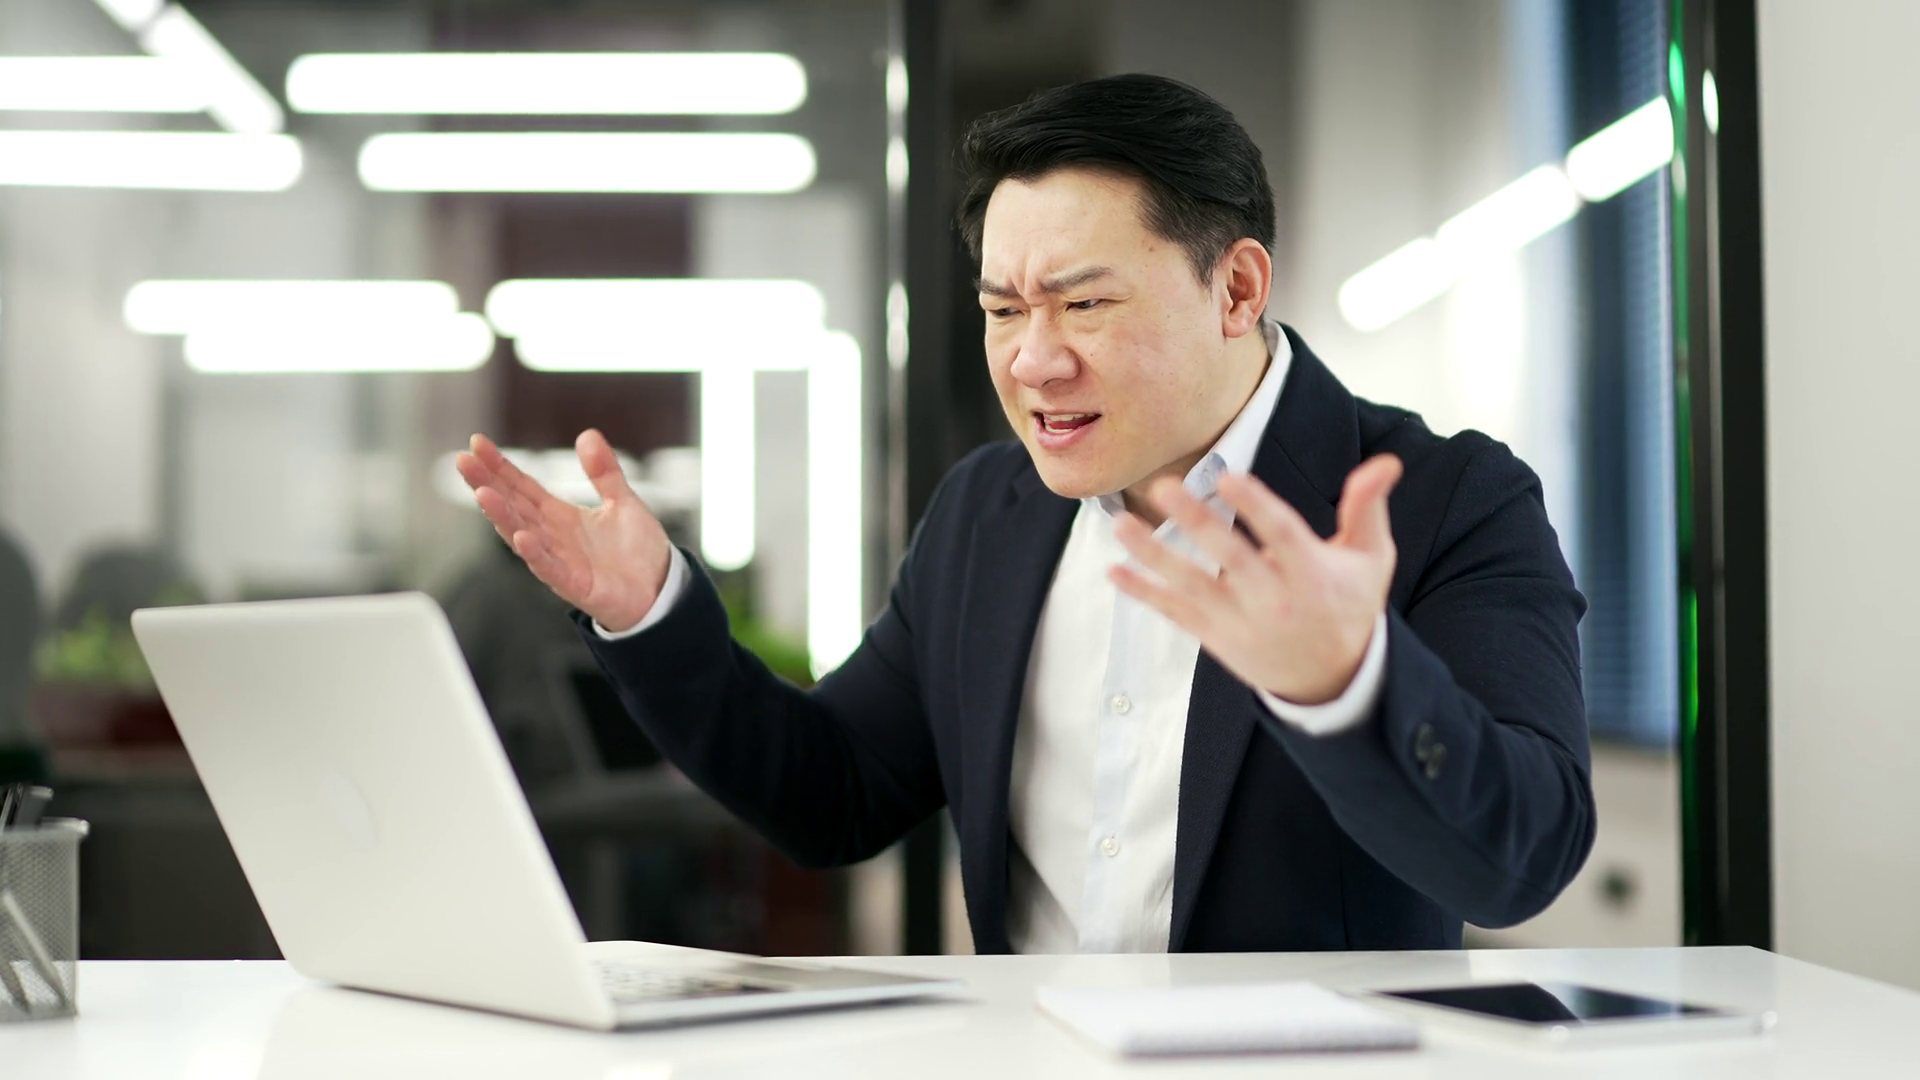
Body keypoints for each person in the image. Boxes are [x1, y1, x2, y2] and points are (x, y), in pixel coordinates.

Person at [456, 74, 1593, 954]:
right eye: (1003, 309)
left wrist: (1348, 682)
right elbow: (836, 792)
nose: (1033, 360)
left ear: (1238, 288)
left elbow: (1522, 858)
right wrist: (651, 613)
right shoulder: (987, 514)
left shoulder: (1444, 502)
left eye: (1084, 303)